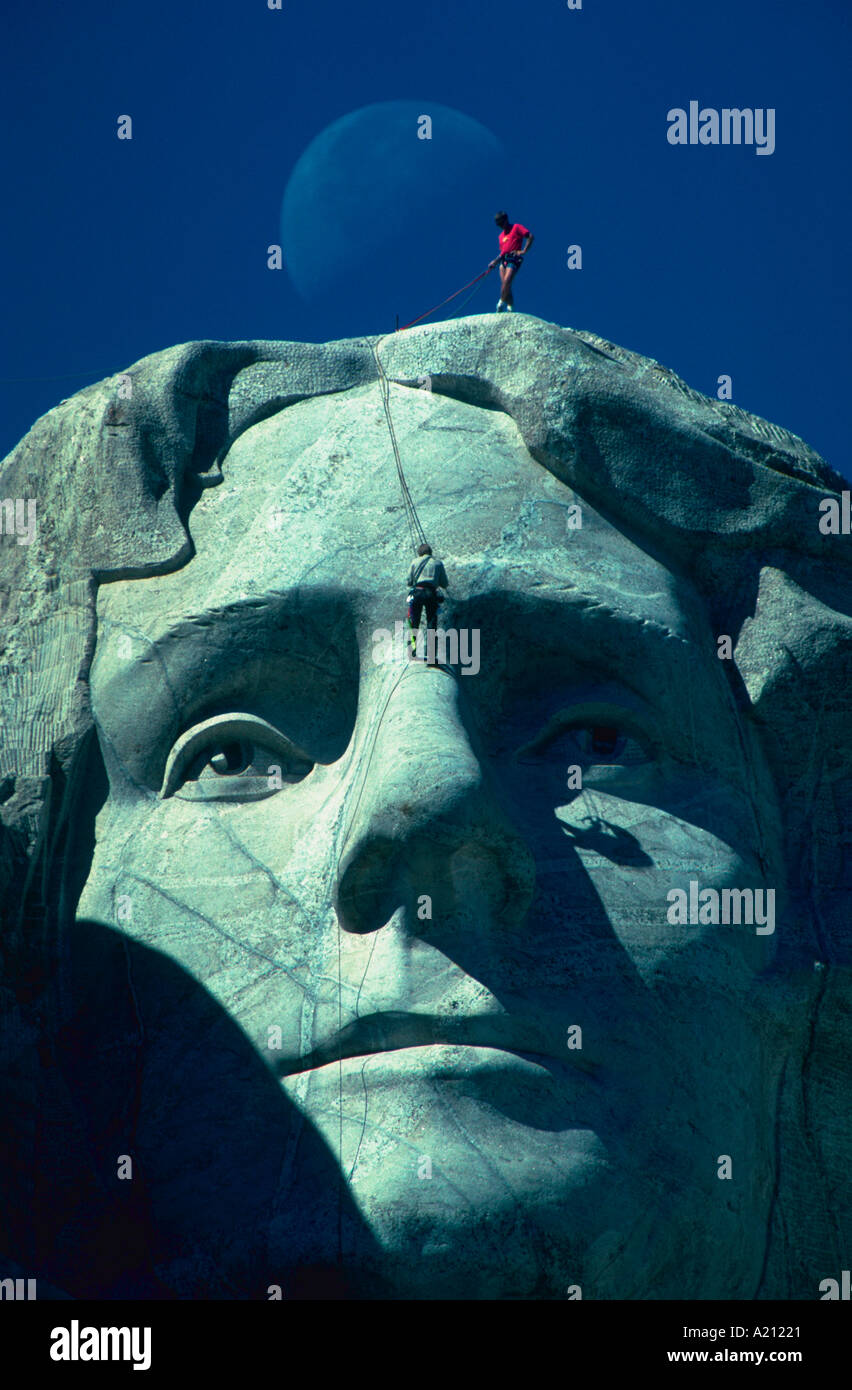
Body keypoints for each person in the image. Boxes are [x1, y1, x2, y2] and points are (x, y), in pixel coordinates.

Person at [406, 541, 448, 660]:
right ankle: (431, 657)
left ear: (420, 553)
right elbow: (444, 583)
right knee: (431, 624)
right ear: (430, 552)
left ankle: (412, 652)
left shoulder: (414, 562)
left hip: (418, 592)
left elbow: (409, 581)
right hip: (431, 594)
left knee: (414, 622)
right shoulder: (438, 563)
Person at [488, 210, 534, 312]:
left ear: (506, 220)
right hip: (503, 260)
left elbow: (530, 236)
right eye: (498, 224)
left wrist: (523, 251)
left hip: (514, 258)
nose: (500, 226)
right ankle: (510, 307)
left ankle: (500, 303)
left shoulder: (516, 227)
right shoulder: (501, 236)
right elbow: (503, 251)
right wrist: (495, 261)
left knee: (507, 281)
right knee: (505, 284)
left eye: (501, 223)